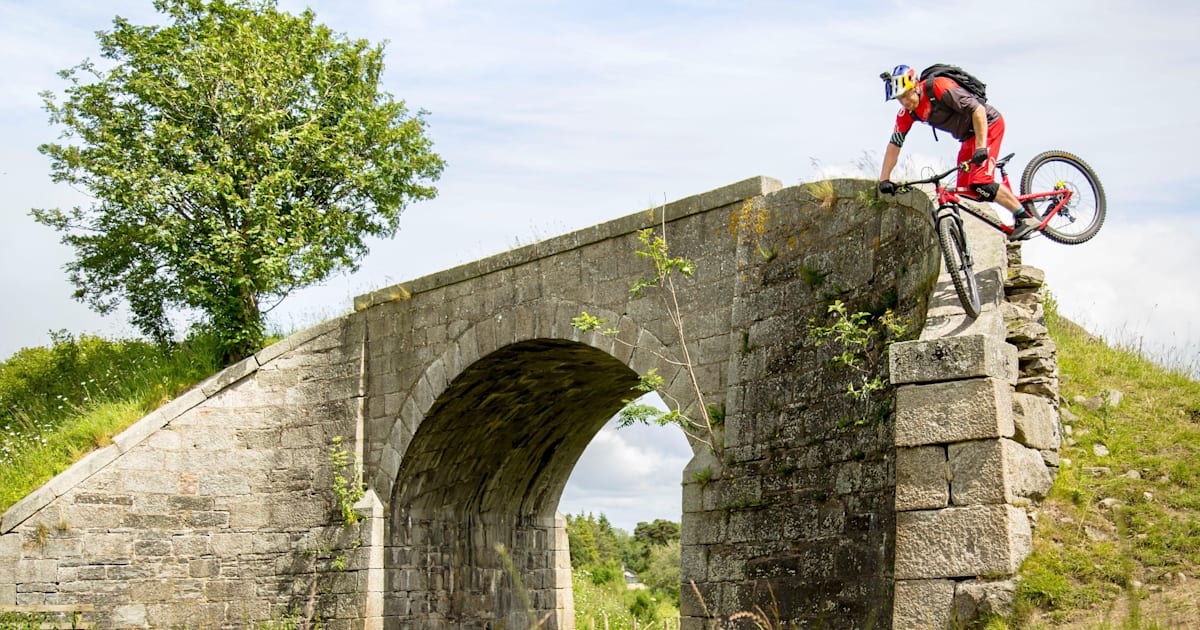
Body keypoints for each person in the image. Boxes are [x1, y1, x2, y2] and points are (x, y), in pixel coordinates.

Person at [876, 65, 1040, 241]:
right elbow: (894, 144)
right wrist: (884, 179)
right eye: (899, 99)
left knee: (980, 182)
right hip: (967, 138)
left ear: (915, 85)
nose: (905, 102)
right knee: (964, 193)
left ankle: (1024, 217)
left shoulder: (939, 87)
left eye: (906, 95)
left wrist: (981, 147)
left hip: (988, 125)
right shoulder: (907, 113)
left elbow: (978, 110)